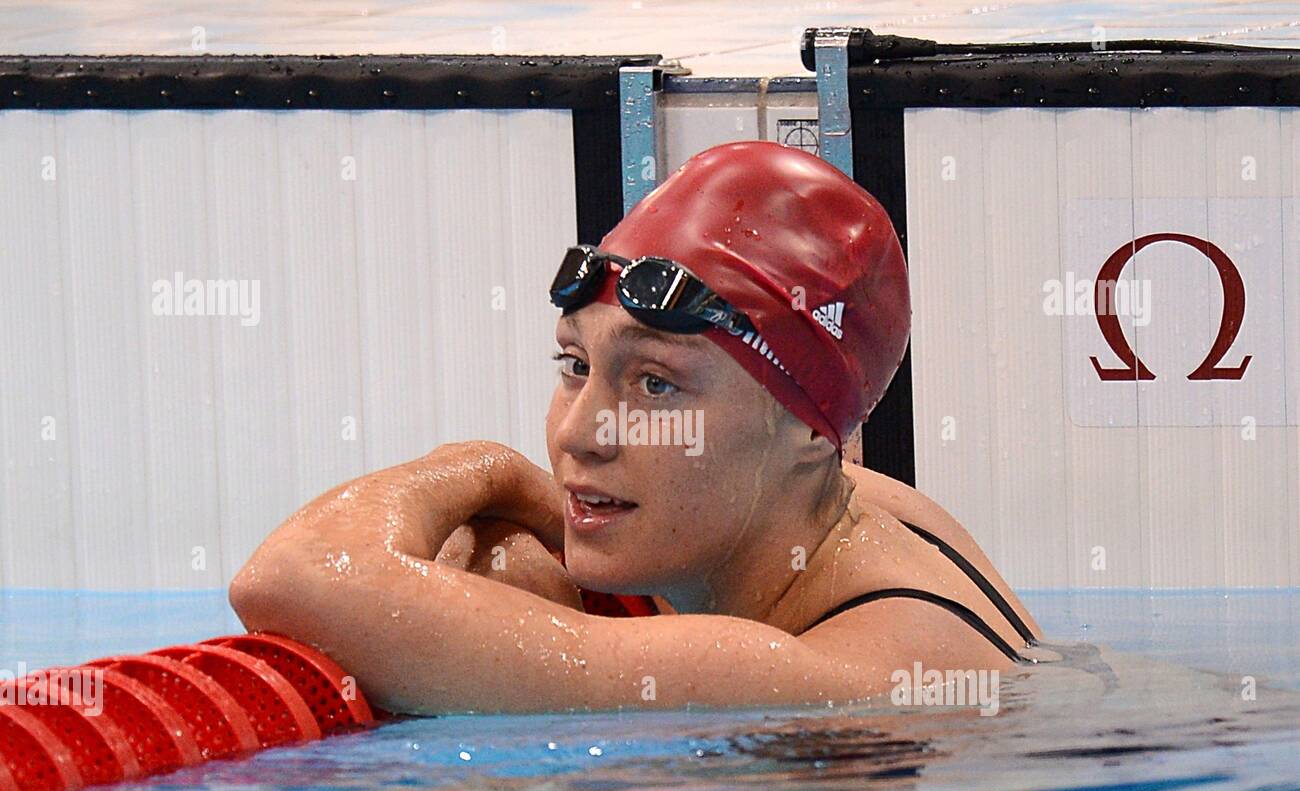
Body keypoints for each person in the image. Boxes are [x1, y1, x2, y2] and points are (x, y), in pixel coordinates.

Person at [229, 140, 1044, 714]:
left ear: (807, 430)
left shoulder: (808, 678)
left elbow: (290, 577)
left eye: (656, 384)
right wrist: (531, 511)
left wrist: (476, 465)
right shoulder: (861, 506)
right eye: (575, 367)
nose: (581, 435)